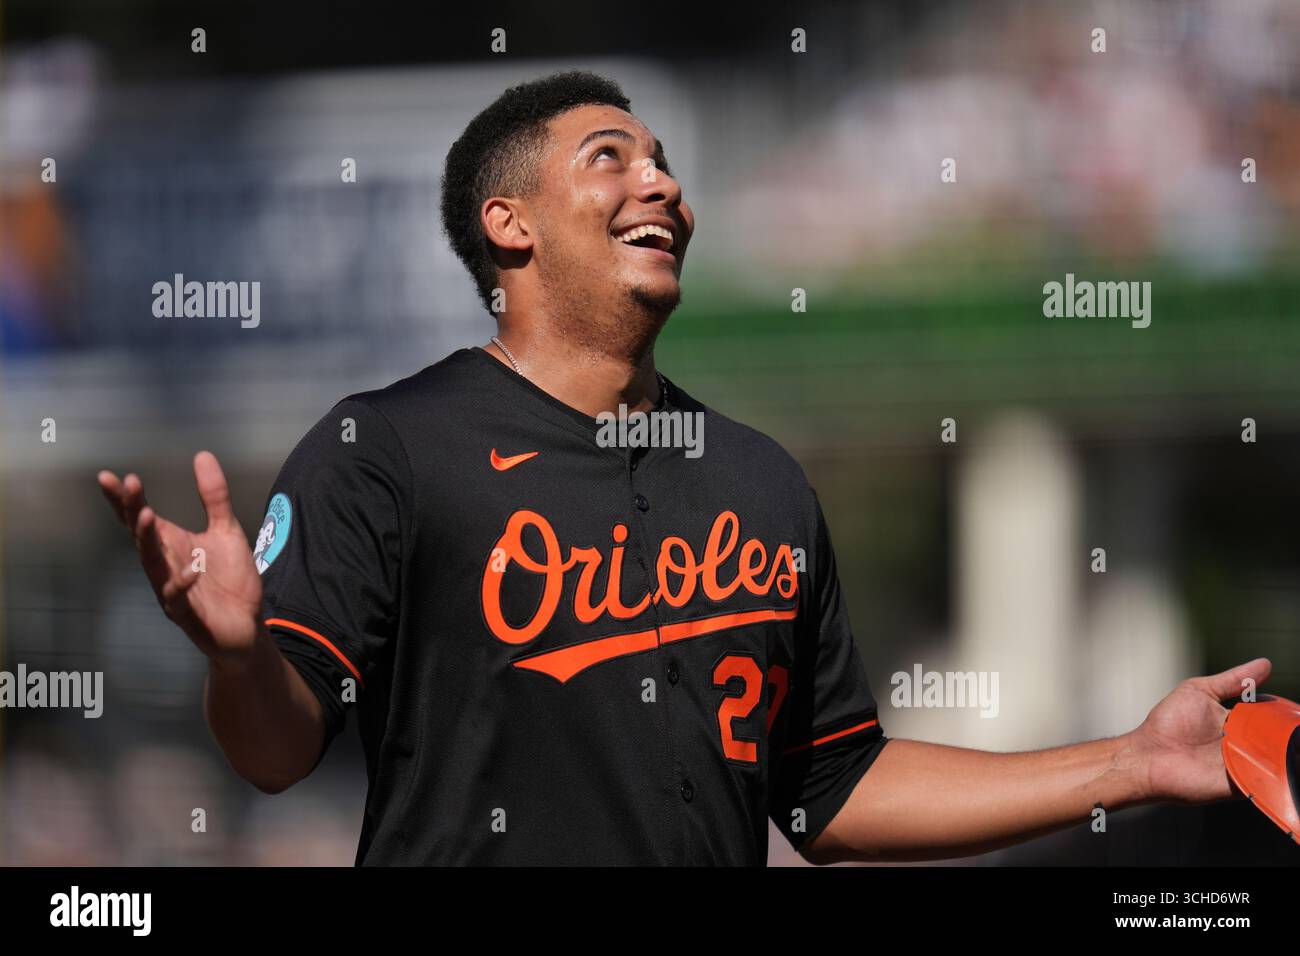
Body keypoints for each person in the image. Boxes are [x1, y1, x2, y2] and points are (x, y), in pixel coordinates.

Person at [98, 70, 1270, 865]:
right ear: (509, 224)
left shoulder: (761, 482)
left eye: (663, 162)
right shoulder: (386, 447)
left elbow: (835, 790)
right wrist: (243, 656)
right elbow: (271, 751)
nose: (661, 183)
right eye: (610, 159)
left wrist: (1130, 760)